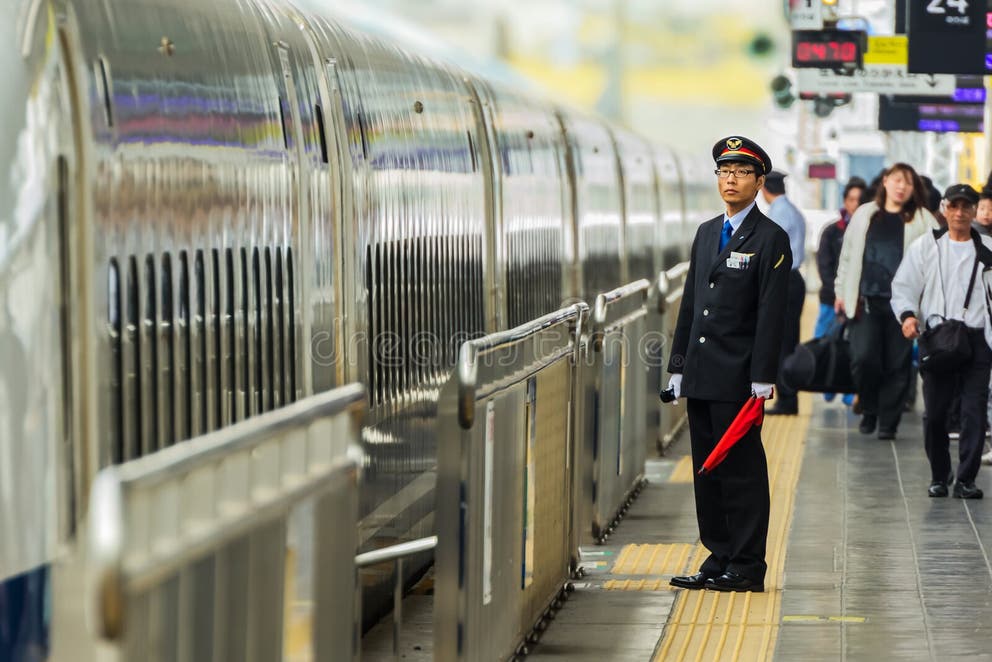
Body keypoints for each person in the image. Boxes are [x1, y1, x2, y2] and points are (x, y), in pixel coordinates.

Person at [665, 136, 791, 593]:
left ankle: (747, 565)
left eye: (741, 172)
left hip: (738, 379)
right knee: (707, 470)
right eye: (724, 171)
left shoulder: (771, 238)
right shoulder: (704, 233)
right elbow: (691, 305)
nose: (731, 179)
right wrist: (678, 366)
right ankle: (718, 555)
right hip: (700, 374)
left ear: (759, 182)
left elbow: (771, 313)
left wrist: (762, 377)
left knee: (741, 472)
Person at [891, 184, 992, 499]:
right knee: (935, 413)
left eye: (967, 207)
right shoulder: (927, 246)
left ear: (975, 210)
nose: (960, 213)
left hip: (977, 339)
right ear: (945, 209)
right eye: (954, 206)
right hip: (938, 338)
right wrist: (908, 316)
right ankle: (939, 474)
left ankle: (966, 479)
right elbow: (904, 284)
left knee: (974, 411)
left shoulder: (988, 248)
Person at [835, 163, 939, 440]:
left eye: (907, 182)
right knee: (864, 358)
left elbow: (935, 262)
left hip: (904, 307)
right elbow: (847, 256)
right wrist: (840, 292)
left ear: (914, 188)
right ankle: (869, 407)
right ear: (885, 182)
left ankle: (888, 422)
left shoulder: (923, 219)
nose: (901, 186)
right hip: (865, 301)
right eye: (896, 180)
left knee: (897, 364)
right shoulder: (865, 214)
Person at [816, 177, 866, 405]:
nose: (855, 204)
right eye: (851, 199)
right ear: (845, 201)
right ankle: (825, 385)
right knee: (825, 342)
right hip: (831, 300)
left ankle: (848, 392)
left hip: (858, 302)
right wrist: (838, 293)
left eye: (860, 200)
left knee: (851, 347)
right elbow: (824, 266)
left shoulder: (871, 229)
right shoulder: (831, 231)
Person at [761, 170, 806, 416]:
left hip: (784, 280)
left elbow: (769, 252)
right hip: (794, 279)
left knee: (782, 342)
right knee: (788, 340)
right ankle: (789, 397)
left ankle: (787, 399)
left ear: (764, 189)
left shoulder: (777, 214)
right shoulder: (793, 211)